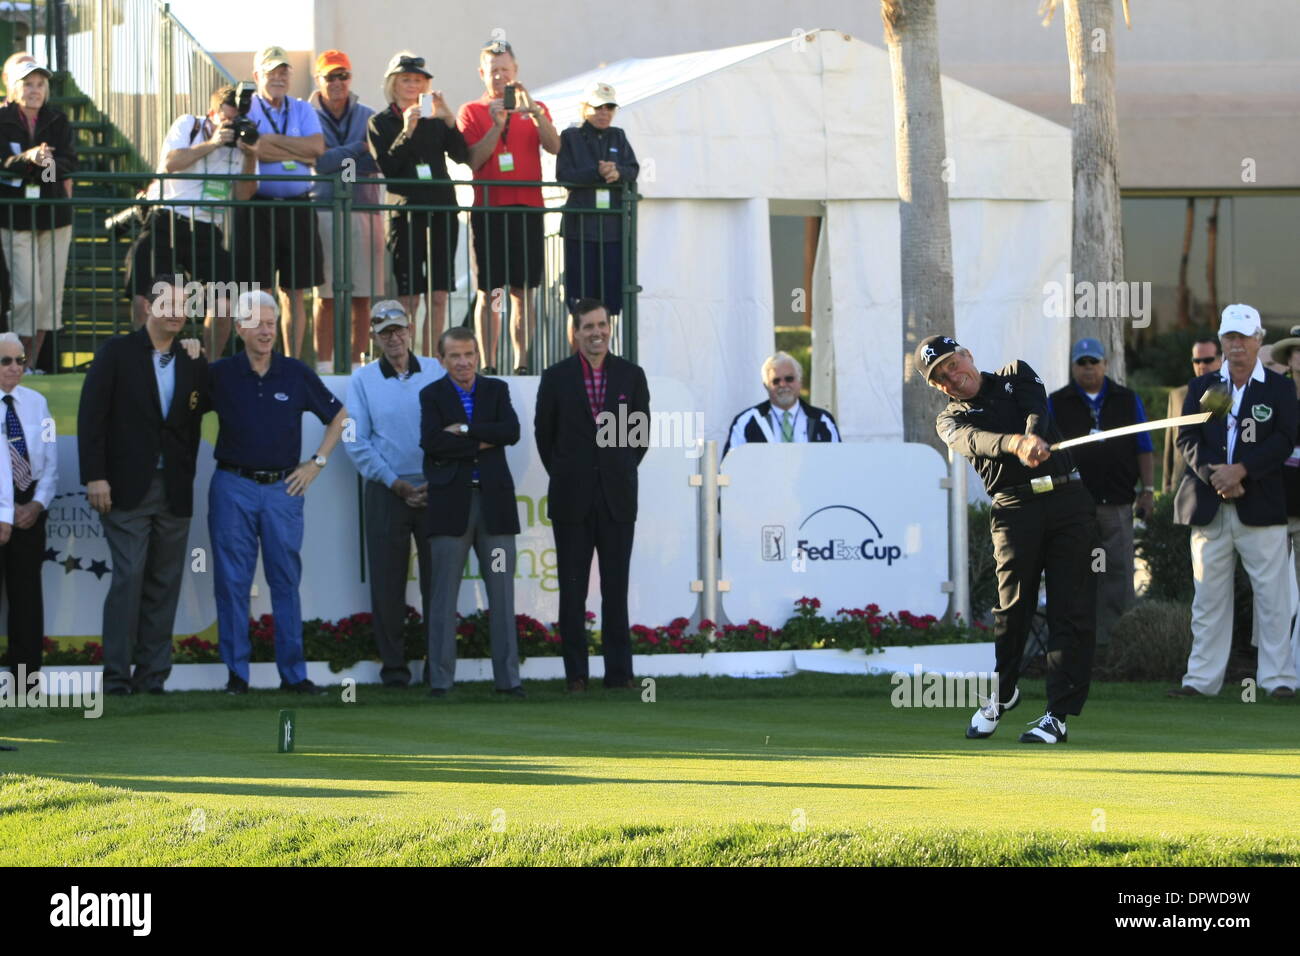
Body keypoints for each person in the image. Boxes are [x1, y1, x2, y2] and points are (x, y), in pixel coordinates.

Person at [918, 334, 1098, 743]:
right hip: (1015, 511)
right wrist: (1016, 445)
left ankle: (1057, 716)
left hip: (1068, 499)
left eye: (951, 363)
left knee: (1070, 610)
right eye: (940, 376)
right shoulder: (949, 422)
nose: (951, 376)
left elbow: (1036, 408)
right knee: (1012, 609)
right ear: (936, 387)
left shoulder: (1017, 373)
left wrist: (1033, 435)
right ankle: (1003, 693)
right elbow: (977, 442)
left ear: (967, 355)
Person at [208, 290, 347, 694]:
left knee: (285, 580)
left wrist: (316, 463)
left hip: (284, 489)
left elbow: (339, 417)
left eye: (272, 323)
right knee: (232, 583)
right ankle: (237, 676)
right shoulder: (219, 374)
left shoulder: (296, 372)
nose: (267, 331)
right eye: (258, 324)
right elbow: (182, 411)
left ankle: (294, 676)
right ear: (240, 328)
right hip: (232, 485)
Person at [78, 276, 208, 695]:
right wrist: (95, 476)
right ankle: (116, 679)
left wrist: (199, 355)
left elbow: (193, 419)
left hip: (175, 488)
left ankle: (153, 679)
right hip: (124, 487)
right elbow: (91, 418)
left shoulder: (192, 359)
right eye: (167, 304)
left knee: (165, 582)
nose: (175, 312)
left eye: (182, 306)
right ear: (147, 307)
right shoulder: (116, 352)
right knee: (129, 576)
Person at [1170, 304, 1298, 700]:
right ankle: (1201, 680)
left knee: (1274, 599)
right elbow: (1187, 439)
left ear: (1259, 340)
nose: (1236, 345)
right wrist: (1216, 475)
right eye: (1230, 337)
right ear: (1222, 341)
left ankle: (1278, 681)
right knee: (1208, 599)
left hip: (1260, 506)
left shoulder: (1279, 388)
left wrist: (1242, 470)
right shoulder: (1202, 388)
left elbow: (1284, 438)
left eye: (1243, 338)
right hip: (1210, 507)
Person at [534, 298, 650, 692]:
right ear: (576, 331)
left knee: (616, 591)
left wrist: (613, 469)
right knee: (573, 591)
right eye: (588, 326)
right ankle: (576, 676)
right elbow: (544, 438)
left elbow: (639, 438)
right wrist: (572, 474)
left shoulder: (631, 376)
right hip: (572, 499)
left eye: (602, 324)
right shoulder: (556, 377)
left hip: (617, 499)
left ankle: (619, 675)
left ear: (609, 326)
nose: (597, 332)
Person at [344, 300, 444, 687]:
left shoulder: (436, 370)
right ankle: (395, 670)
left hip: (436, 488)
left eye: (399, 329)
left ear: (411, 329)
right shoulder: (362, 379)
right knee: (387, 584)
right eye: (385, 331)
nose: (394, 337)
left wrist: (436, 478)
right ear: (374, 336)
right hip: (387, 491)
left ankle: (439, 667)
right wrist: (395, 483)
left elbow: (453, 424)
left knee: (439, 583)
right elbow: (355, 440)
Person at [420, 327, 524, 697]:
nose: (463, 363)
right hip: (451, 509)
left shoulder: (496, 390)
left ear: (478, 355)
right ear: (441, 360)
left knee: (502, 593)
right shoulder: (431, 395)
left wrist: (463, 431)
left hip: (494, 509)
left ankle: (508, 681)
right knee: (443, 597)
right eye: (455, 356)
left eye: (469, 354)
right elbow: (432, 442)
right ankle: (441, 681)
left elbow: (511, 431)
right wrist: (484, 440)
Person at [126, 85, 260, 356]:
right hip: (167, 218)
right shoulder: (189, 124)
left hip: (207, 227)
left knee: (224, 300)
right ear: (212, 114)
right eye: (226, 120)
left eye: (236, 121)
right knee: (143, 296)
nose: (232, 127)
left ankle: (209, 365)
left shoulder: (246, 140)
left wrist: (250, 156)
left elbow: (244, 195)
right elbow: (170, 163)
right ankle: (147, 358)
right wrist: (213, 144)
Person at [458, 39, 560, 374]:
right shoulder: (472, 111)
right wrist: (497, 126)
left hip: (528, 210)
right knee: (491, 293)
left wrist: (533, 113)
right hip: (489, 212)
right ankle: (488, 364)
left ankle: (522, 363)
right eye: (493, 71)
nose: (500, 76)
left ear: (515, 71)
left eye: (505, 69)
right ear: (482, 74)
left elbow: (554, 146)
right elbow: (472, 159)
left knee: (522, 292)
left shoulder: (535, 107)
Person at [1047, 338, 1153, 646]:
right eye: (1082, 362)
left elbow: (1144, 447)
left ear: (1105, 364)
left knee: (1118, 572)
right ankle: (1079, 642)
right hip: (1075, 504)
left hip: (1118, 502)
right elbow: (1048, 451)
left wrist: (1147, 489)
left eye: (1094, 361)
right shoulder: (1057, 401)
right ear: (1073, 367)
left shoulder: (1127, 398)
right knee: (1078, 572)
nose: (1089, 368)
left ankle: (1116, 641)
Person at [368, 51, 468, 353]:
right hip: (405, 213)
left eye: (418, 80)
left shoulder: (435, 119)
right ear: (393, 85)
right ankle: (409, 356)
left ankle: (433, 358)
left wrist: (449, 119)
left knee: (438, 294)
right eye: (406, 79)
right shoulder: (380, 122)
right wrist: (406, 131)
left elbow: (462, 155)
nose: (413, 85)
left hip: (441, 209)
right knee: (410, 295)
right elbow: (388, 168)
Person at [233, 46, 325, 359]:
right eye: (271, 71)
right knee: (259, 291)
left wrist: (269, 145)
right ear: (257, 75)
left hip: (298, 206)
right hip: (258, 206)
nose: (278, 77)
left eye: (283, 71)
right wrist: (294, 151)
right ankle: (261, 357)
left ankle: (291, 360)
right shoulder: (247, 108)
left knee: (296, 291)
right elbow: (250, 145)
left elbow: (317, 148)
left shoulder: (302, 108)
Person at [0, 60, 76, 372]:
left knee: (48, 301)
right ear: (13, 87)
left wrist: (47, 166)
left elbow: (70, 164)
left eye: (40, 85)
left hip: (54, 218)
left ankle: (29, 366)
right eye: (28, 84)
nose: (35, 91)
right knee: (26, 296)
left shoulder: (58, 119)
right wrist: (26, 160)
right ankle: (14, 364)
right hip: (14, 219)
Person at [309, 50, 382, 372]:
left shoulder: (369, 115)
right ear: (318, 79)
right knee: (325, 297)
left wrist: (332, 157)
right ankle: (324, 367)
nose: (337, 82)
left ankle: (355, 365)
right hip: (323, 208)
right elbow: (318, 163)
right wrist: (355, 150)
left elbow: (378, 160)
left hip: (364, 209)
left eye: (343, 76)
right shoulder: (305, 114)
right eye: (330, 76)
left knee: (361, 296)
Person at [0, 331, 56, 683]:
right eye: (6, 361)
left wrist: (37, 504)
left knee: (26, 596)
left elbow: (49, 461)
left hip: (30, 508)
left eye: (21, 360)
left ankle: (26, 679)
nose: (15, 367)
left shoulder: (37, 403)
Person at [556, 82, 638, 320]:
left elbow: (633, 169)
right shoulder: (570, 136)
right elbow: (564, 175)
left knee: (609, 306)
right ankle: (577, 357)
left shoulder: (618, 135)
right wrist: (597, 173)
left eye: (610, 107)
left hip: (613, 233)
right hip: (580, 233)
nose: (604, 112)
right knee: (579, 304)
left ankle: (605, 356)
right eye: (598, 107)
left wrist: (618, 172)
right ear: (585, 108)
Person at [722, 350, 840, 456]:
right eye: (776, 381)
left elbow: (838, 463)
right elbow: (729, 469)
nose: (783, 385)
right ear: (766, 386)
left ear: (800, 382)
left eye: (789, 379)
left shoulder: (823, 420)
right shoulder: (745, 421)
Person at [1163, 337, 1221, 494]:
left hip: (1213, 480)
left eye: (1208, 360)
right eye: (1197, 360)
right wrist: (1166, 484)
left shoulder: (1228, 392)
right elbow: (1172, 442)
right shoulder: (1177, 395)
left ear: (1221, 360)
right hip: (1181, 482)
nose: (1202, 365)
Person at [1269, 329, 1300, 600]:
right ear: (1289, 360)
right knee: (1270, 589)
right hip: (1275, 505)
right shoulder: (1274, 393)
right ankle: (1264, 644)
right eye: (1298, 351)